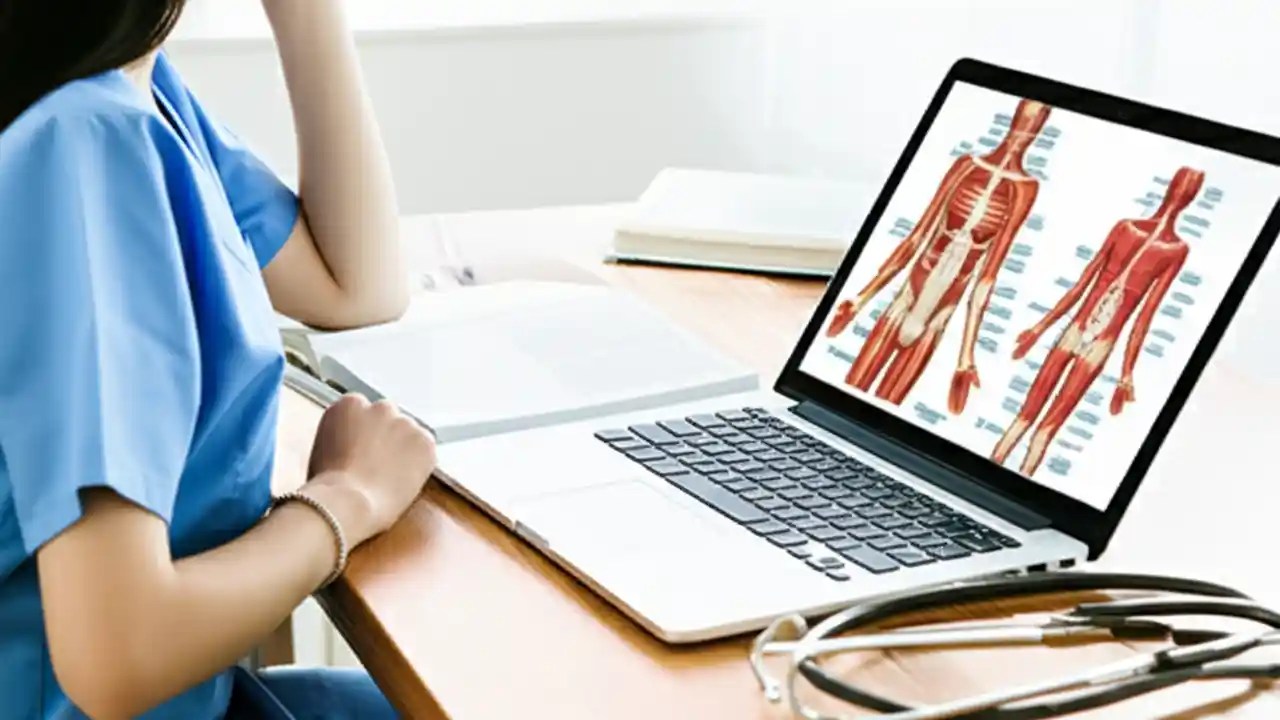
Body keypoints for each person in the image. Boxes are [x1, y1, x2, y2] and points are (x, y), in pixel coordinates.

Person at [0, 1, 437, 718]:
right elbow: (118, 653)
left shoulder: (141, 89)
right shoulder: (80, 141)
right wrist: (349, 499)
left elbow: (354, 285)